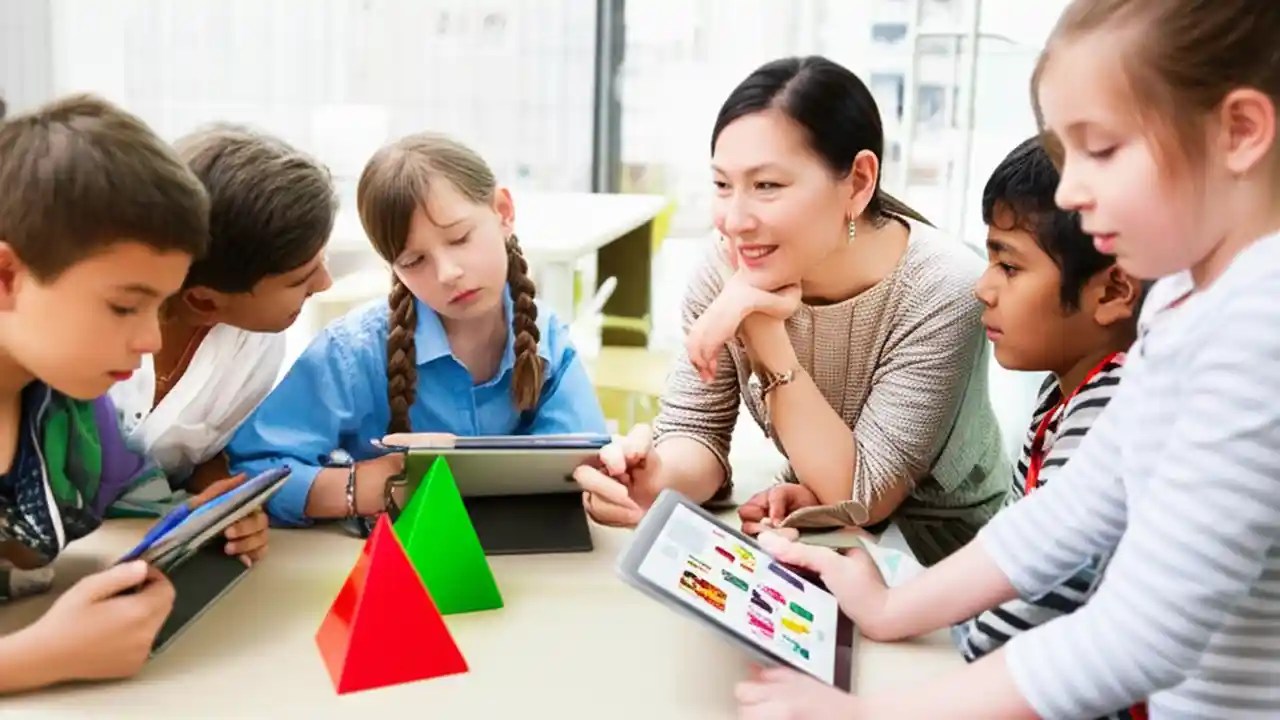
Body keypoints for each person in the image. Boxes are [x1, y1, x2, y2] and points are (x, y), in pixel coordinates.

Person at [734, 1, 1280, 717]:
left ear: (1239, 132)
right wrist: (893, 608)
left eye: (1102, 150)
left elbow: (1141, 633)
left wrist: (874, 715)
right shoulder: (1186, 298)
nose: (1072, 190)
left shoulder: (1258, 325)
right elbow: (1071, 511)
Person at [574, 56, 1008, 566]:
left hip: (957, 555)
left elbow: (859, 496)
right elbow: (696, 431)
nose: (735, 221)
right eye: (722, 185)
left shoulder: (943, 288)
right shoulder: (727, 268)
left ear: (859, 181)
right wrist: (655, 478)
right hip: (819, 535)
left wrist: (761, 328)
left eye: (767, 186)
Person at [0, 95, 257, 692]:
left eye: (159, 306)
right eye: (123, 306)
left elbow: (131, 497)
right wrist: (38, 657)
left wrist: (196, 525)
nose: (150, 339)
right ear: (7, 277)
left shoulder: (74, 411)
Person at [226, 132, 608, 529]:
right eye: (414, 261)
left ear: (503, 211)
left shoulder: (549, 340)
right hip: (390, 560)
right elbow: (253, 469)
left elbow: (584, 462)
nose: (448, 273)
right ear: (393, 267)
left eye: (459, 238)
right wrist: (361, 486)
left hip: (526, 555)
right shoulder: (352, 352)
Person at [953, 136, 1145, 719]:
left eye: (1009, 266)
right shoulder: (1065, 391)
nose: (983, 287)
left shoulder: (1111, 407)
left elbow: (1029, 606)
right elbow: (1012, 554)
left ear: (1112, 290)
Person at [108, 124, 335, 527]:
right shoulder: (94, 342)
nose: (325, 283)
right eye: (300, 279)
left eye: (323, 260)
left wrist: (228, 506)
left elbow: (204, 457)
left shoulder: (257, 343)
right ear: (204, 301)